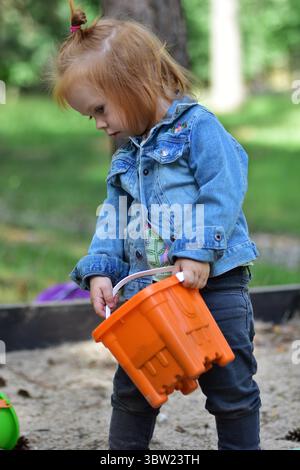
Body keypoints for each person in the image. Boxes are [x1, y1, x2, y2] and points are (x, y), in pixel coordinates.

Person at [52, 0, 261, 450]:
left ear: (134, 83)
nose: (100, 125)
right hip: (148, 296)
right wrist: (101, 268)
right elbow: (112, 218)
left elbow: (224, 188)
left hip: (216, 287)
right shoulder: (127, 156)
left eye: (101, 109)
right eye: (92, 116)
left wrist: (197, 247)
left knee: (232, 391)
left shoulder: (198, 128)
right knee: (132, 390)